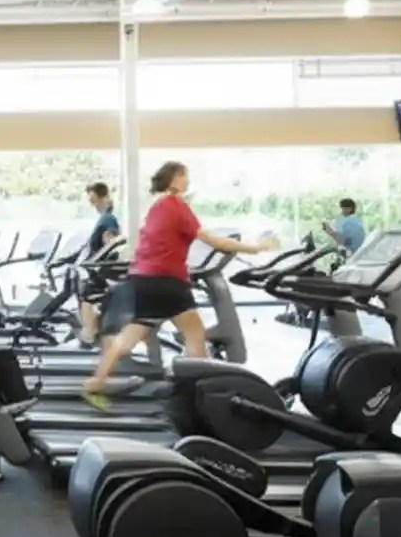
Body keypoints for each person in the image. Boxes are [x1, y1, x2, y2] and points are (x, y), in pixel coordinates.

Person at [82, 162, 274, 410]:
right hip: (168, 282)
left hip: (143, 280)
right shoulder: (176, 205)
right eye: (184, 176)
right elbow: (211, 239)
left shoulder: (156, 206)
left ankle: (96, 383)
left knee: (129, 337)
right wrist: (255, 248)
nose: (187, 181)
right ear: (173, 179)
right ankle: (202, 395)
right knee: (195, 335)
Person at [78, 182, 121, 344]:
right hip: (96, 266)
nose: (94, 205)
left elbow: (111, 242)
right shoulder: (105, 218)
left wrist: (98, 260)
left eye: (95, 200)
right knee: (83, 290)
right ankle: (92, 328)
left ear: (103, 198)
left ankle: (90, 331)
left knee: (87, 294)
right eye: (92, 201)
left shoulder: (108, 219)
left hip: (101, 269)